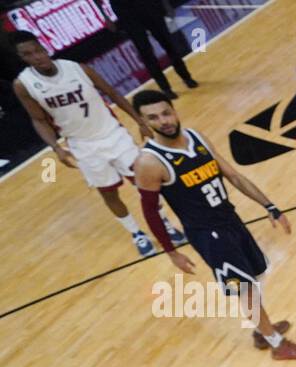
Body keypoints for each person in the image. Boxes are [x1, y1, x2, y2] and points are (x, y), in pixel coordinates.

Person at [131, 90, 296, 360]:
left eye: (166, 113)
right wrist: (172, 252)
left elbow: (233, 175)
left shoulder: (196, 138)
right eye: (153, 118)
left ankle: (262, 329)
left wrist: (270, 206)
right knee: (244, 288)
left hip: (231, 220)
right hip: (208, 234)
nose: (164, 121)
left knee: (256, 276)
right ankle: (277, 344)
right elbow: (150, 212)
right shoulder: (149, 162)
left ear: (174, 110)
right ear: (143, 122)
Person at [10, 30, 185, 257]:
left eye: (37, 51)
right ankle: (136, 233)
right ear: (22, 58)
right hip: (82, 145)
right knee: (109, 194)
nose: (36, 57)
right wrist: (56, 148)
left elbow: (112, 92)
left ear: (45, 49)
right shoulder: (24, 84)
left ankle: (165, 225)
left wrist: (140, 121)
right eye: (28, 54)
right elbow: (39, 119)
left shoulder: (77, 68)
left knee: (145, 184)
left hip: (114, 135)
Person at [101, 0, 198, 100]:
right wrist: (105, 17)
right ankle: (165, 88)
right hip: (125, 11)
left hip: (148, 4)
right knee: (145, 52)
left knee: (167, 43)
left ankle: (186, 77)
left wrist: (166, 5)